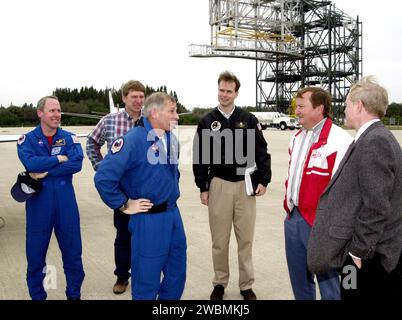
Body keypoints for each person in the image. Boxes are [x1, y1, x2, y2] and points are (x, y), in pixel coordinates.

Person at [308, 76, 402, 299]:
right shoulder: (372, 137)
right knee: (348, 292)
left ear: (359, 106)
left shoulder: (375, 141)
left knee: (352, 293)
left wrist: (357, 252)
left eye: (348, 104)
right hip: (364, 252)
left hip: (367, 258)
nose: (345, 109)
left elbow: (377, 206)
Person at [94, 92, 186, 300]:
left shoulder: (171, 139)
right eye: (172, 111)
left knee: (176, 273)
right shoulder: (132, 141)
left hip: (173, 215)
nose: (177, 116)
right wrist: (124, 204)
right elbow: (104, 179)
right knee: (147, 279)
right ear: (154, 112)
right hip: (148, 220)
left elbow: (172, 173)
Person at [192, 71, 271, 300]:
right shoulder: (207, 121)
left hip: (244, 186)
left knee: (245, 239)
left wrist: (264, 179)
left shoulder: (248, 119)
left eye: (229, 91)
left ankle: (246, 285)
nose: (224, 95)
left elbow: (261, 151)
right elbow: (200, 157)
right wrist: (203, 187)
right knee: (220, 240)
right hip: (219, 185)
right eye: (221, 90)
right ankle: (219, 282)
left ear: (236, 93)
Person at [283, 87, 353, 300]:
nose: (297, 111)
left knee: (329, 283)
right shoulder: (296, 137)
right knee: (299, 281)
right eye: (297, 106)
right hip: (294, 218)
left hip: (322, 224)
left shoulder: (340, 140)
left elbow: (346, 190)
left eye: (302, 106)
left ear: (319, 108)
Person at [16, 95, 85, 300]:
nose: (57, 115)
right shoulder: (26, 140)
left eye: (58, 110)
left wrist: (45, 171)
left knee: (73, 256)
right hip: (39, 206)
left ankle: (74, 295)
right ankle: (38, 296)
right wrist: (57, 159)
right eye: (52, 111)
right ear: (40, 113)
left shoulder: (70, 138)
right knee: (36, 257)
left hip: (66, 205)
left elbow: (76, 164)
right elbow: (31, 164)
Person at [86, 80, 145, 294]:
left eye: (141, 97)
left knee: (147, 234)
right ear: (124, 98)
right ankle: (122, 276)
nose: (138, 101)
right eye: (133, 97)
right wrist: (102, 169)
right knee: (123, 235)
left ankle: (145, 273)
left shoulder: (150, 122)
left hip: (145, 189)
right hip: (122, 190)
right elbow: (91, 142)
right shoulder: (110, 121)